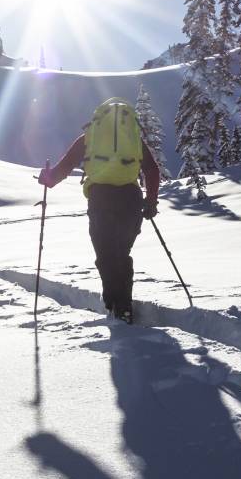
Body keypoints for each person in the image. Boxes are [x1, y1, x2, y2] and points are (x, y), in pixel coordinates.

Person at [37, 97, 162, 323]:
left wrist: (47, 179)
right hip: (130, 199)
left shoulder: (89, 138)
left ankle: (115, 305)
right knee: (120, 252)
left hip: (100, 198)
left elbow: (62, 169)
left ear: (99, 118)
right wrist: (151, 202)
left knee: (105, 254)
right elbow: (152, 171)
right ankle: (122, 307)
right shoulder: (134, 140)